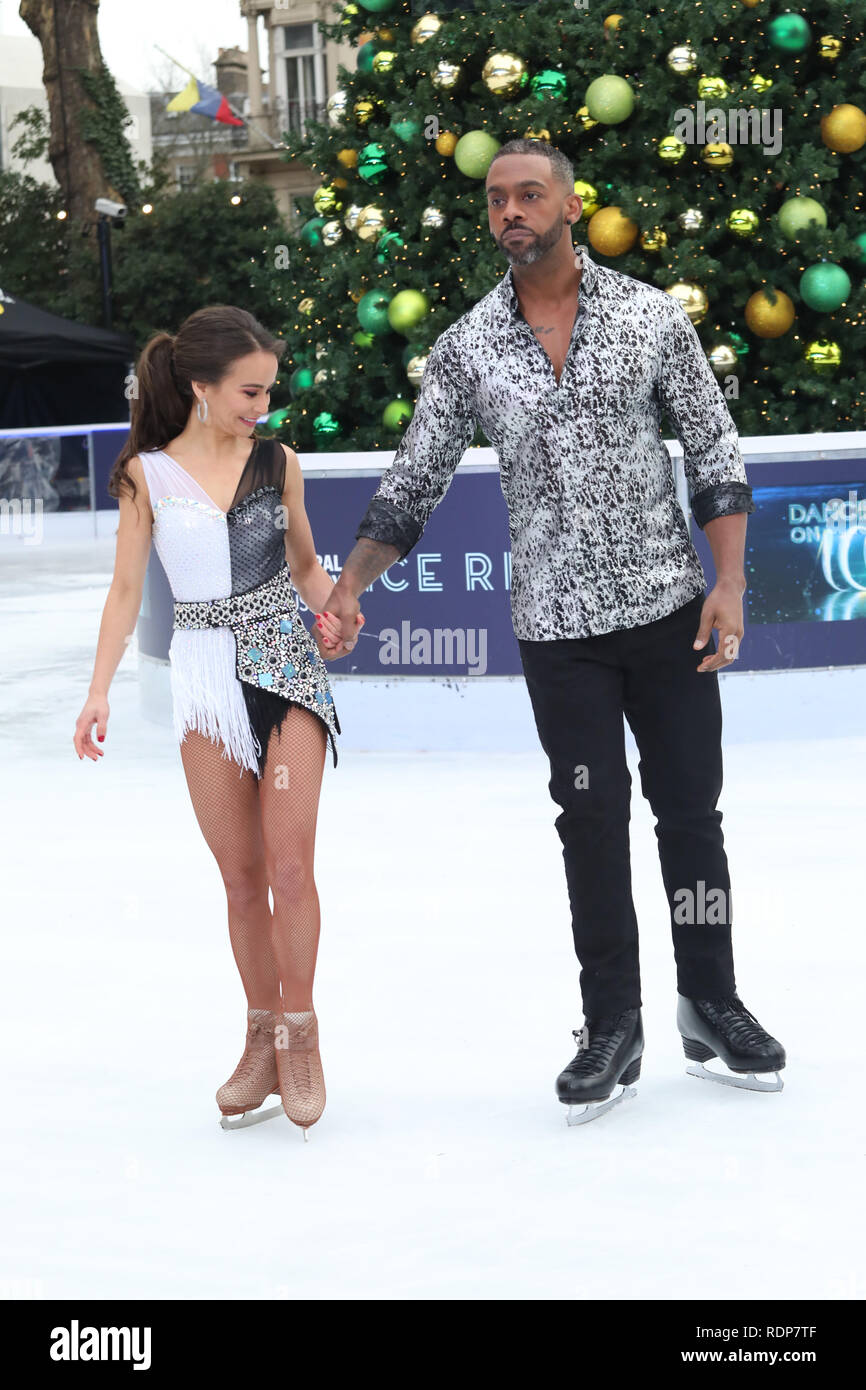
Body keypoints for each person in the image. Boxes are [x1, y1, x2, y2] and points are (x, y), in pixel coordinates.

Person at [319, 140, 785, 1124]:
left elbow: (712, 449)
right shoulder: (466, 347)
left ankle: (712, 998)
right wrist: (351, 583)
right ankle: (609, 1020)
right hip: (556, 632)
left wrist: (729, 581)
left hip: (666, 615)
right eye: (495, 199)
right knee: (587, 822)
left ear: (570, 205)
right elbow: (414, 481)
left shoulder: (650, 317)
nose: (509, 211)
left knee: (690, 816)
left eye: (528, 194)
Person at [72, 305, 362, 1138]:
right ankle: (260, 1036)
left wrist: (335, 610)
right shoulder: (145, 475)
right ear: (200, 386)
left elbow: (305, 564)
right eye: (247, 391)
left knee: (291, 865)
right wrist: (98, 691)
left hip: (286, 671)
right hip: (205, 681)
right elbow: (126, 592)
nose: (261, 407)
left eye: (268, 391)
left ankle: (302, 1038)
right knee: (241, 880)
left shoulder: (279, 463)